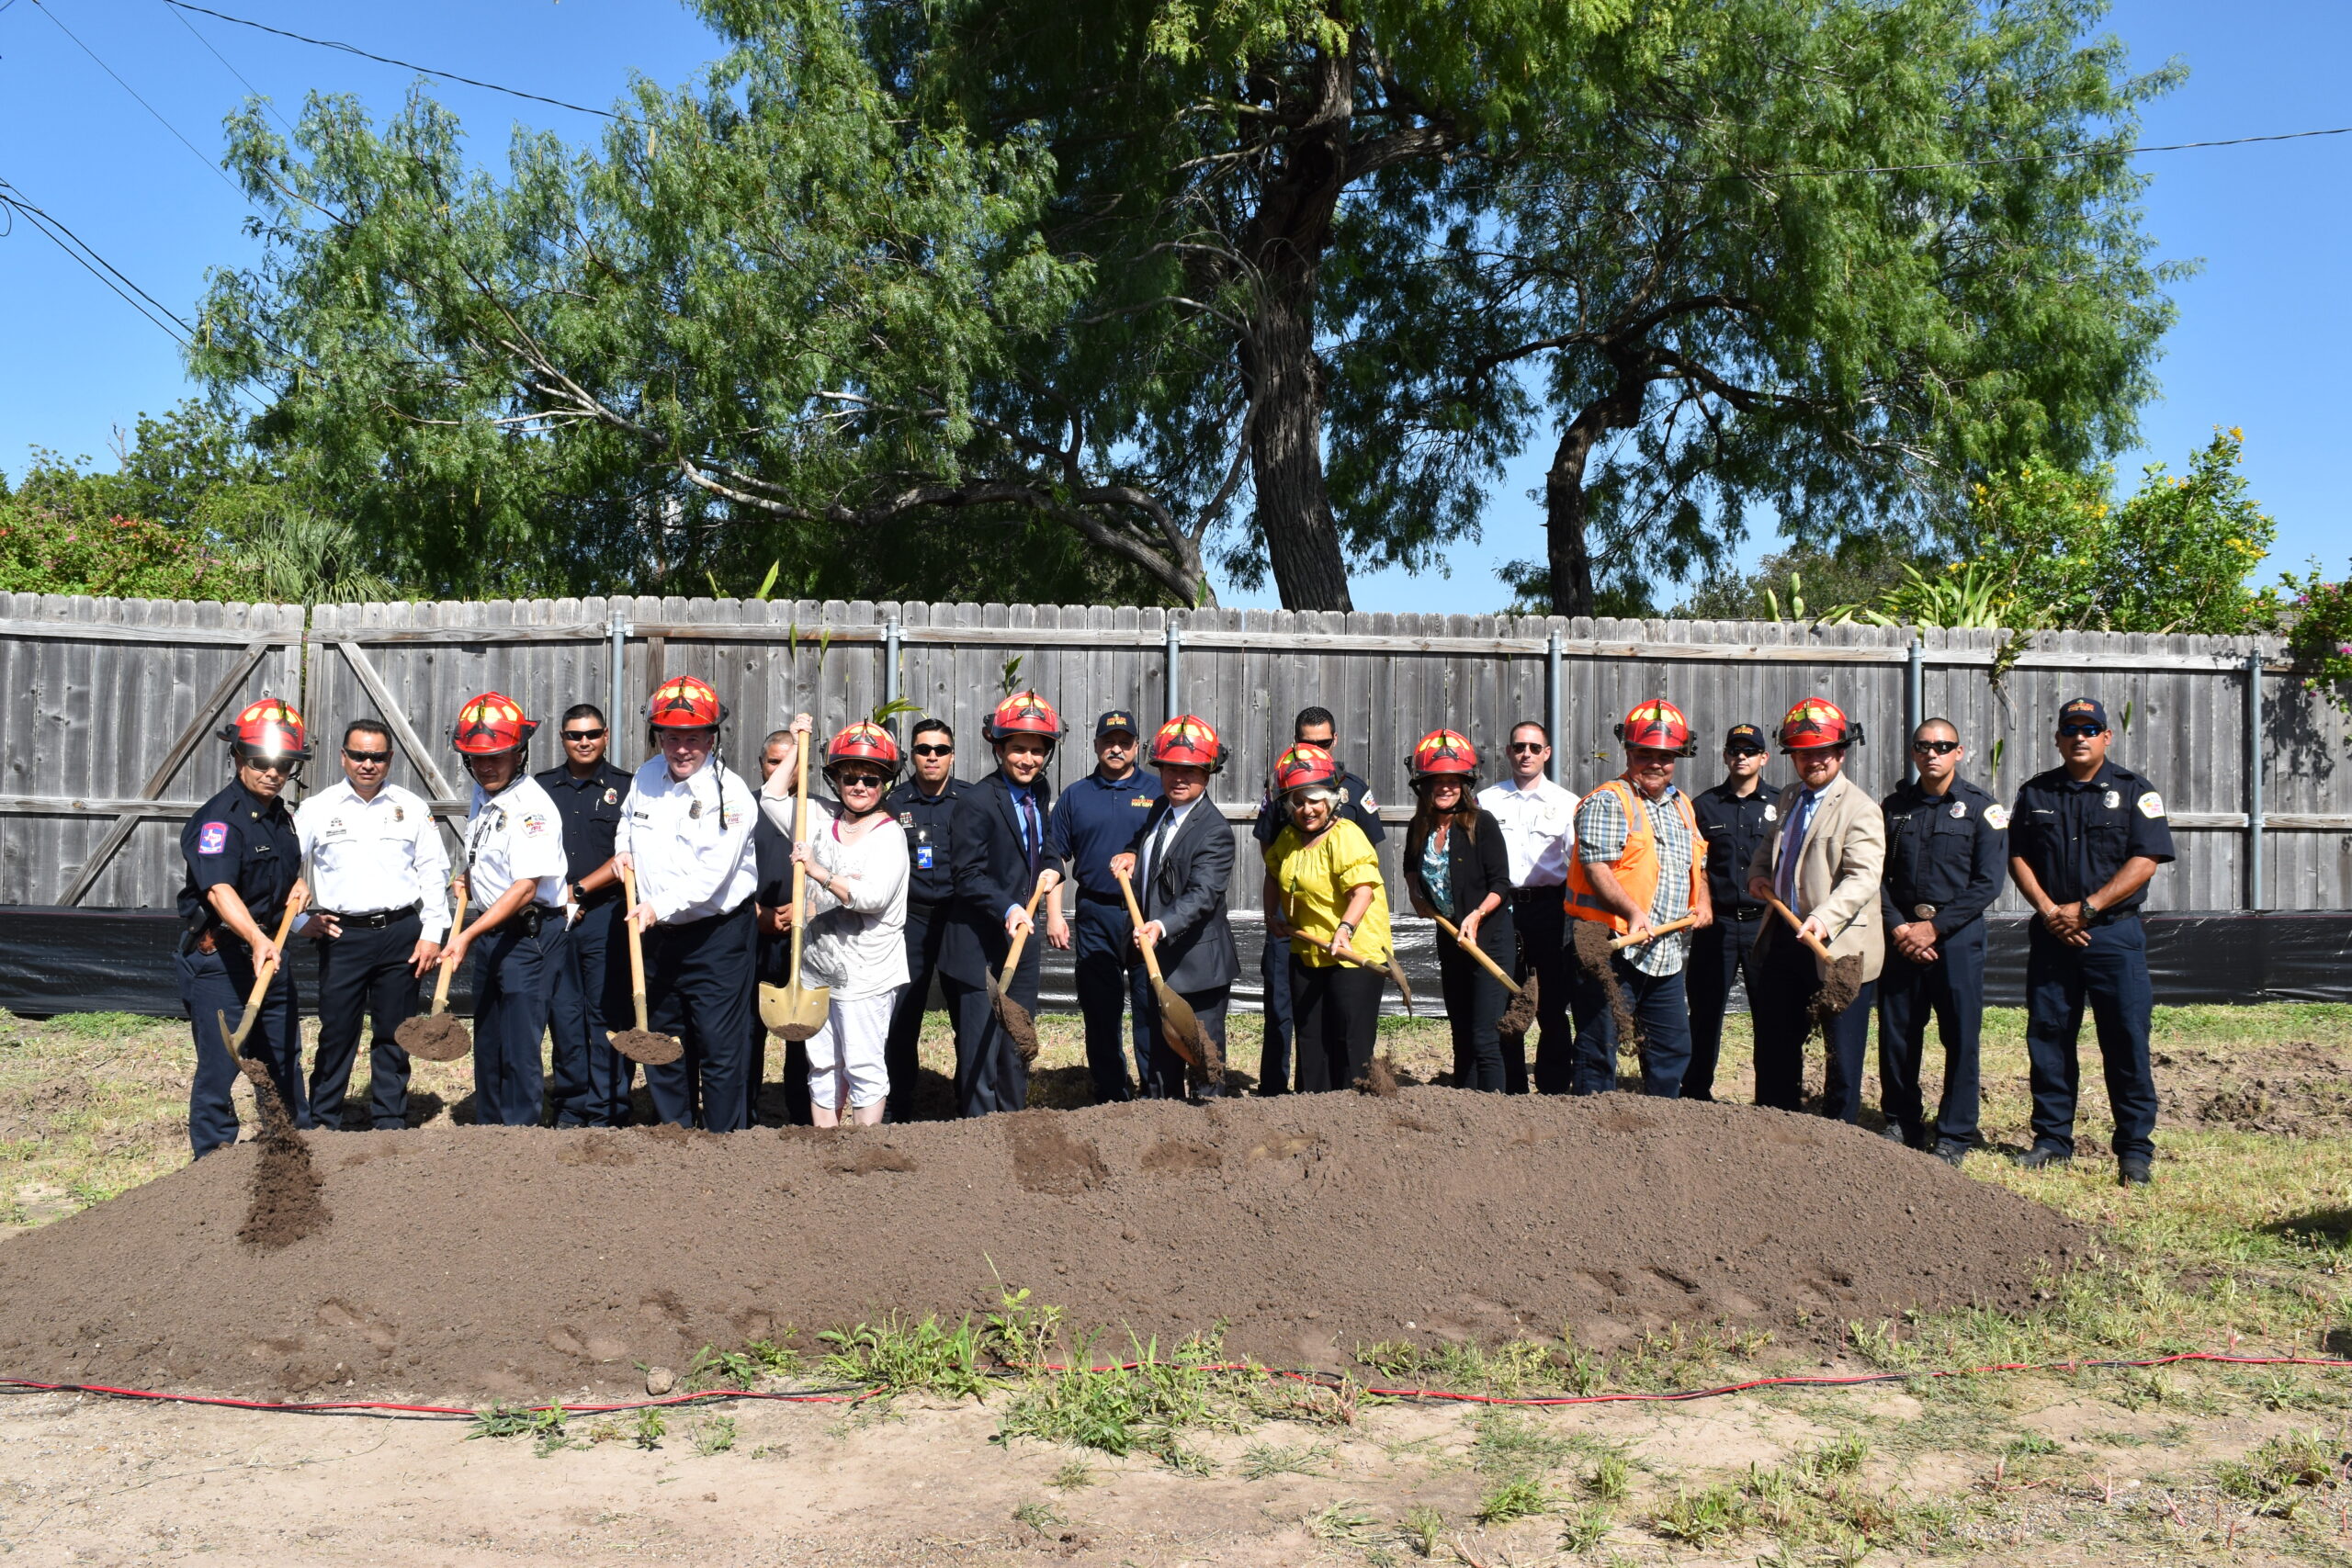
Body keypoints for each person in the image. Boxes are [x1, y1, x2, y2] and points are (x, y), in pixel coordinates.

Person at [2007, 696, 2174, 1186]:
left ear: (2106, 737)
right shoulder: (2036, 792)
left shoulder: (2134, 791)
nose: (2080, 737)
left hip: (2112, 935)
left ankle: (2134, 1150)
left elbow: (2146, 859)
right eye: (2071, 729)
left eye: (2090, 729)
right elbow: (2017, 855)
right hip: (2054, 932)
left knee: (2124, 1038)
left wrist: (2089, 908)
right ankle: (2052, 1140)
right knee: (2050, 1038)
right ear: (2058, 738)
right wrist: (2050, 910)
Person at [614, 675, 762, 1131]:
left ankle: (723, 1142)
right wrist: (623, 849)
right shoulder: (645, 776)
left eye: (692, 738)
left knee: (719, 1047)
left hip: (715, 940)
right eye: (672, 736)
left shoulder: (731, 797)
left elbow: (711, 877)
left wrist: (658, 905)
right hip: (658, 938)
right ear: (658, 735)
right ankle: (673, 1135)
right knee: (663, 1041)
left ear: (711, 738)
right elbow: (627, 820)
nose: (681, 748)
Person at [295, 718, 450, 1132]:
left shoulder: (412, 807)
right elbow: (281, 869)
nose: (368, 764)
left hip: (401, 934)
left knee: (395, 1034)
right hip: (341, 935)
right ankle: (324, 1122)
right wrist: (296, 922)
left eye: (377, 756)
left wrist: (432, 934)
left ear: (390, 759)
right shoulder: (316, 809)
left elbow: (434, 872)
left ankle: (389, 1122)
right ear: (343, 756)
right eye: (359, 755)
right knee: (337, 1032)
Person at [175, 697, 312, 1156]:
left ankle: (295, 1151)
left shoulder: (280, 817)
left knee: (283, 1061)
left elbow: (278, 874)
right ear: (237, 758)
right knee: (220, 1068)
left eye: (284, 764)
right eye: (261, 762)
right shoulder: (219, 820)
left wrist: (296, 888)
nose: (273, 773)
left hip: (270, 958)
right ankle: (213, 1163)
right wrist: (255, 937)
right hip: (224, 962)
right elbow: (218, 890)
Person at [763, 720, 912, 1126]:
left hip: (867, 974)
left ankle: (867, 1149)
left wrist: (815, 870)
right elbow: (771, 796)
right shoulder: (818, 816)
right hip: (816, 970)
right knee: (823, 1064)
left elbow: (872, 897)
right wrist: (796, 745)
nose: (860, 786)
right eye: (850, 777)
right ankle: (824, 1147)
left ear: (885, 784)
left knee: (863, 1065)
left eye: (871, 778)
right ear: (835, 779)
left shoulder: (889, 836)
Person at [1745, 697, 1885, 1122]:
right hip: (1785, 937)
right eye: (1803, 754)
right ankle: (1774, 1120)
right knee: (1776, 1041)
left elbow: (1863, 877)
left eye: (1821, 752)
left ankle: (1840, 1133)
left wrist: (1825, 917)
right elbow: (1772, 845)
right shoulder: (1790, 797)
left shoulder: (1860, 808)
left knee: (1840, 1050)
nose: (1812, 762)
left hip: (1836, 947)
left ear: (1840, 753)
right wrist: (1757, 874)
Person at [1562, 700, 1711, 1096]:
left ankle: (1661, 1134)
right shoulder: (1610, 801)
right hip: (1611, 946)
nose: (1656, 763)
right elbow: (1597, 870)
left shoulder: (1682, 805)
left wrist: (1705, 901)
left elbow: (1698, 862)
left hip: (1664, 949)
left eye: (1666, 756)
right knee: (1598, 1048)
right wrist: (1632, 911)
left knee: (1672, 1049)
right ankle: (1592, 1137)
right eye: (1645, 754)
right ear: (1629, 753)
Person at [1878, 718, 2007, 1165]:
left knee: (1960, 1036)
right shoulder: (1892, 808)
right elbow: (1874, 876)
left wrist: (1935, 928)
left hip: (1955, 939)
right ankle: (1901, 1121)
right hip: (1900, 938)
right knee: (1897, 1035)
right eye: (1924, 746)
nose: (1932, 753)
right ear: (1914, 752)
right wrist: (1898, 927)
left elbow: (1988, 882)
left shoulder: (1981, 809)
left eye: (1943, 745)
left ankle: (1954, 1134)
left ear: (1960, 752)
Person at [438, 692, 569, 1127]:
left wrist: (467, 935)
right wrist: (469, 879)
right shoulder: (484, 792)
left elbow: (525, 888)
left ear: (519, 753)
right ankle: (488, 1133)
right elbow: (492, 859)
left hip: (527, 937)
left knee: (518, 1045)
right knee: (490, 1037)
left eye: (497, 756)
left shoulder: (532, 809)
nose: (486, 766)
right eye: (476, 758)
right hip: (494, 931)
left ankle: (520, 1139)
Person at [943, 691, 1067, 1116]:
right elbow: (967, 875)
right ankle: (980, 1135)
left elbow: (1044, 844)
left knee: (1016, 1037)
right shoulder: (976, 802)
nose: (1028, 759)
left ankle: (1014, 1122)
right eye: (1018, 749)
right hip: (980, 943)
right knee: (981, 1045)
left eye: (1037, 750)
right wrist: (1009, 908)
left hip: (1023, 944)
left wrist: (1053, 869)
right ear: (999, 748)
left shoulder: (1040, 791)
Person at [1252, 707, 1383, 1094]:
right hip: (1307, 943)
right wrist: (1270, 914)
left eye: (1315, 801)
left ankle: (1355, 1118)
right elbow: (1272, 869)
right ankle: (1311, 1111)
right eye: (1298, 802)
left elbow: (1363, 888)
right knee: (1309, 1036)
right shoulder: (1290, 833)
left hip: (1352, 945)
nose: (1306, 808)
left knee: (1347, 1035)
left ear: (1331, 798)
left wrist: (1345, 928)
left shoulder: (1347, 831)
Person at [1110, 715, 1238, 1100]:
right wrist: (1132, 853)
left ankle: (1211, 1140)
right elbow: (1150, 843)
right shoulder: (1160, 809)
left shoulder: (1215, 831)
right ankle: (1161, 1135)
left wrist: (1160, 926)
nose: (1178, 778)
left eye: (1190, 770)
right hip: (1153, 961)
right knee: (1157, 1064)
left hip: (1196, 967)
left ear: (1208, 772)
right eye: (1170, 769)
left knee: (1204, 1063)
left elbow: (1202, 895)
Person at [1045, 709, 1161, 1103]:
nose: (1116, 748)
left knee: (1149, 1004)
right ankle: (1111, 1092)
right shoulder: (1076, 796)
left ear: (1137, 747)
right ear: (1096, 746)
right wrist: (1055, 914)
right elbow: (1055, 857)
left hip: (1144, 913)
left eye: (1124, 742)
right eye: (1108, 741)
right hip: (1094, 912)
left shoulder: (1159, 793)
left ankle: (1155, 1088)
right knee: (1100, 1008)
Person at [1402, 729, 1518, 1092]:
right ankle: (1464, 1110)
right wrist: (1416, 895)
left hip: (1488, 940)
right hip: (1450, 938)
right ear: (1424, 785)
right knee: (1462, 1032)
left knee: (1485, 1036)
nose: (1446, 788)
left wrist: (1476, 915)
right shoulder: (1419, 826)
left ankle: (1493, 1111)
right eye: (1438, 781)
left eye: (1454, 781)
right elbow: (1410, 865)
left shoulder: (1481, 824)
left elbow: (1502, 883)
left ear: (1465, 784)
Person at [537, 704, 635, 1127]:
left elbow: (628, 857)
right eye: (575, 735)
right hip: (554, 917)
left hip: (606, 916)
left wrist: (580, 891)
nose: (584, 741)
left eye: (592, 733)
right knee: (565, 1014)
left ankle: (609, 1109)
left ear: (606, 735)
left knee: (607, 1013)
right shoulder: (539, 789)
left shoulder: (629, 788)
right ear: (562, 738)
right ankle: (572, 1107)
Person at [1477, 720, 1577, 1095]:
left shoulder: (1566, 804)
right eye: (1519, 747)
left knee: (1552, 1004)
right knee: (1506, 997)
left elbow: (1578, 863)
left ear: (1547, 753)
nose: (1526, 754)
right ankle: (1511, 1088)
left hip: (1550, 909)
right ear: (1508, 751)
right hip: (1500, 910)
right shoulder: (1486, 802)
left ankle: (1553, 1087)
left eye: (1535, 748)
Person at [1685, 724, 1775, 1102]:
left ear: (1763, 758)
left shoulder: (1780, 804)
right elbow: (1696, 864)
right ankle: (1695, 1093)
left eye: (1750, 751)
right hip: (1717, 925)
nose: (1742, 756)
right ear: (1724, 756)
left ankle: (1772, 1098)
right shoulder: (1703, 806)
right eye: (1735, 750)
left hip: (1764, 926)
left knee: (1771, 1017)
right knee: (1705, 1016)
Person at [883, 718, 966, 1121]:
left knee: (966, 1012)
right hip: (909, 920)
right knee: (903, 1016)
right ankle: (899, 1106)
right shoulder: (892, 804)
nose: (932, 756)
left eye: (941, 750)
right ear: (911, 755)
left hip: (957, 920)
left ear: (953, 754)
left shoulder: (971, 800)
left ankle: (969, 1102)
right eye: (923, 749)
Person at [750, 727, 812, 1126]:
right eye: (775, 761)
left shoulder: (819, 811)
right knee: (747, 1032)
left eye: (792, 763)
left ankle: (804, 1116)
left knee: (802, 1034)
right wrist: (760, 915)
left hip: (805, 938)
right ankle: (744, 1112)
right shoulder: (741, 810)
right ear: (762, 766)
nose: (784, 771)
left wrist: (807, 909)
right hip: (751, 935)